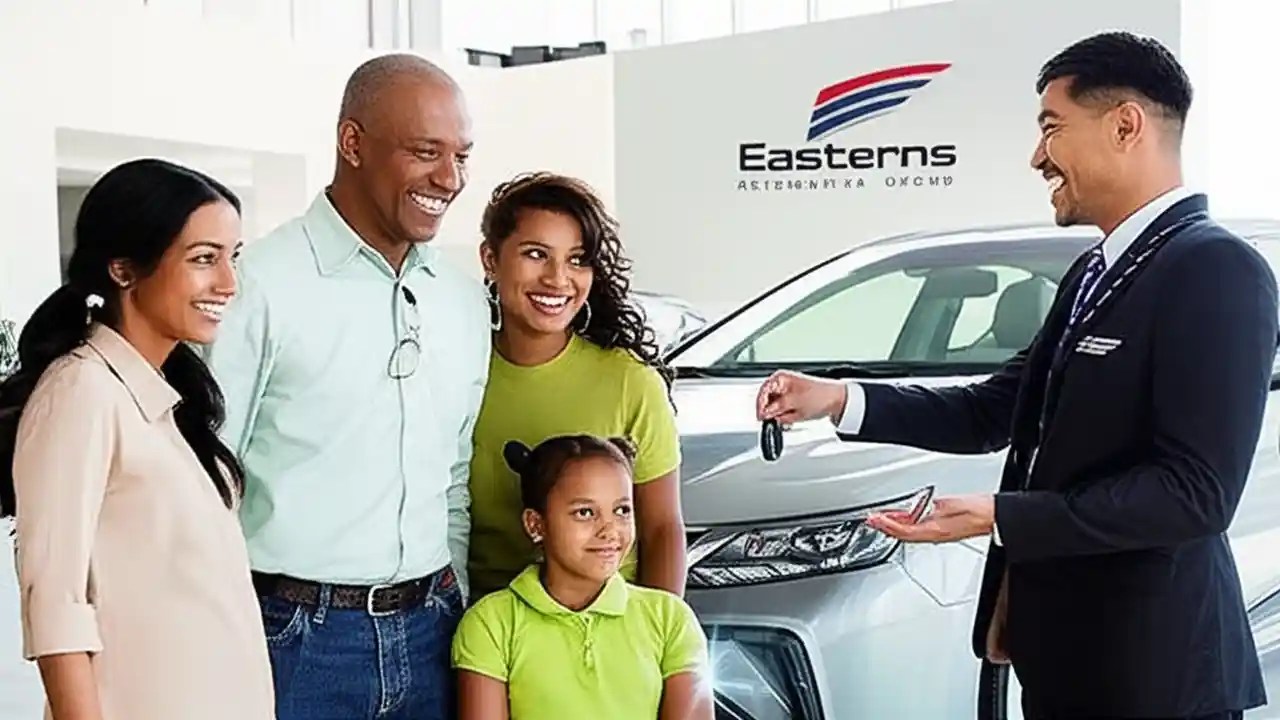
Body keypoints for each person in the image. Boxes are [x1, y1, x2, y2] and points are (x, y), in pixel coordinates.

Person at [756, 31, 1274, 720]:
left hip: (1154, 674)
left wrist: (999, 516)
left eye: (1052, 129)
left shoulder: (1216, 270)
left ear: (1126, 125)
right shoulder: (1098, 272)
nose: (1037, 157)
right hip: (1068, 659)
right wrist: (838, 400)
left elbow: (1194, 495)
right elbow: (996, 410)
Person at [202, 53, 490, 720]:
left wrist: (458, 601)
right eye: (426, 151)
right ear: (351, 142)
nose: (450, 179)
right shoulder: (258, 286)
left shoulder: (461, 300)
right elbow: (206, 488)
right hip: (292, 642)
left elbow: (452, 478)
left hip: (436, 633)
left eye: (461, 155)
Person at [0, 158, 274, 719]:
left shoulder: (168, 396)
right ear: (123, 268)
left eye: (233, 258)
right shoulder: (81, 392)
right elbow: (56, 608)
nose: (228, 283)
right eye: (204, 259)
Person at [466, 172, 686, 600]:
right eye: (536, 254)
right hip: (482, 639)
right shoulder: (453, 374)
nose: (557, 279)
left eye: (577, 259)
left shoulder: (631, 382)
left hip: (610, 641)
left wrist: (663, 643)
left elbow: (661, 528)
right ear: (490, 259)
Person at [452, 434, 712, 720]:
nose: (610, 530)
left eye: (622, 510)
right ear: (536, 524)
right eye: (585, 512)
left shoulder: (670, 620)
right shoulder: (491, 624)